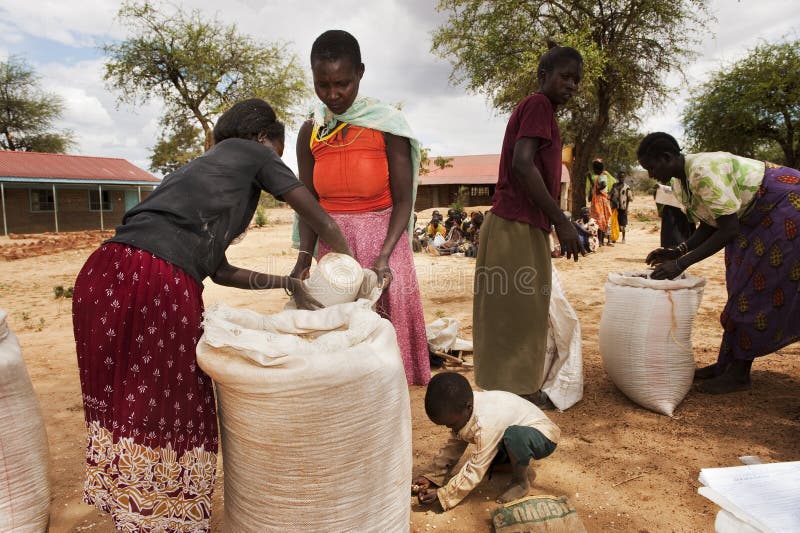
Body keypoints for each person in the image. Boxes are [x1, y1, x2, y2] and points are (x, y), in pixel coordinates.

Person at [72, 99, 353, 531]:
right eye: (275, 154)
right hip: (155, 282)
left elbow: (217, 269)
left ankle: (136, 514)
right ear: (262, 138)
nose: (272, 166)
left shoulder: (196, 171)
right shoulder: (255, 152)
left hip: (103, 274)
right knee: (173, 404)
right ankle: (165, 521)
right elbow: (315, 213)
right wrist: (354, 267)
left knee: (124, 402)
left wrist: (285, 282)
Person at [291, 30, 430, 385]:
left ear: (361, 74)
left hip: (384, 243)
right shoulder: (311, 130)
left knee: (386, 354)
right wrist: (304, 259)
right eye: (323, 85)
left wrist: (384, 256)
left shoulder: (386, 126)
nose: (333, 94)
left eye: (343, 83)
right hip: (334, 249)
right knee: (340, 350)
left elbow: (403, 201)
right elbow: (309, 204)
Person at [639, 132, 800, 394]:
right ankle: (728, 365)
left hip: (786, 208)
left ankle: (738, 374)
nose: (651, 175)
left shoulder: (703, 171)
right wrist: (676, 251)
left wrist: (681, 264)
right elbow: (710, 223)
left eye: (652, 167)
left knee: (753, 288)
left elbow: (728, 230)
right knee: (739, 287)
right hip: (755, 217)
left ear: (667, 157)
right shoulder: (681, 182)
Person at [473, 41, 583, 408]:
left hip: (519, 225)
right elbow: (523, 164)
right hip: (515, 226)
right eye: (565, 77)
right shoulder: (538, 105)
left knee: (516, 311)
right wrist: (561, 222)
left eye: (577, 80)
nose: (572, 85)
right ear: (543, 76)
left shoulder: (543, 112)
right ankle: (517, 393)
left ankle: (514, 389)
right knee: (517, 314)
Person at [412, 373, 560, 509]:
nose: (451, 428)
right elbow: (454, 445)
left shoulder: (485, 423)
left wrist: (444, 495)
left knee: (514, 437)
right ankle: (507, 461)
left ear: (468, 407)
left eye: (451, 424)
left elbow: (475, 468)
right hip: (513, 431)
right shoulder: (464, 407)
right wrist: (432, 476)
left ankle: (520, 482)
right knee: (503, 439)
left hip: (544, 435)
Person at [588, 160, 614, 246]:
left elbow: (603, 184)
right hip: (599, 201)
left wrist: (598, 190)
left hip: (600, 201)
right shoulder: (600, 176)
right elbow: (595, 186)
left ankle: (601, 241)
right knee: (600, 220)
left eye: (594, 169)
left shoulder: (602, 176)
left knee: (600, 220)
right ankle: (600, 241)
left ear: (597, 169)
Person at [609, 171, 634, 243]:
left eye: (622, 177)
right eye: (620, 177)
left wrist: (626, 209)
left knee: (623, 223)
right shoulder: (614, 186)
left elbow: (629, 199)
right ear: (618, 177)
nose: (621, 178)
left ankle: (623, 238)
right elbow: (610, 195)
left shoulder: (627, 187)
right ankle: (614, 237)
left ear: (624, 178)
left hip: (623, 208)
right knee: (614, 223)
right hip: (614, 208)